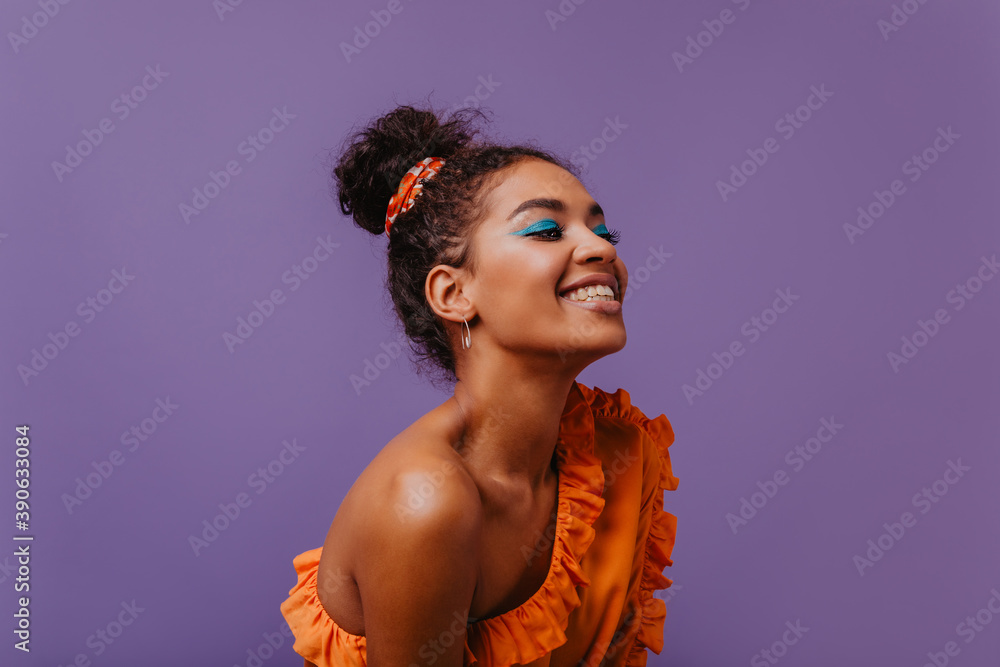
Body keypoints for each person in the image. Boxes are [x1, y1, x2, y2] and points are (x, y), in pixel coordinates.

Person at [279, 103, 679, 667]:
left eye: (602, 229)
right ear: (453, 294)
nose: (602, 249)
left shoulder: (619, 451)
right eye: (546, 230)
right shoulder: (425, 502)